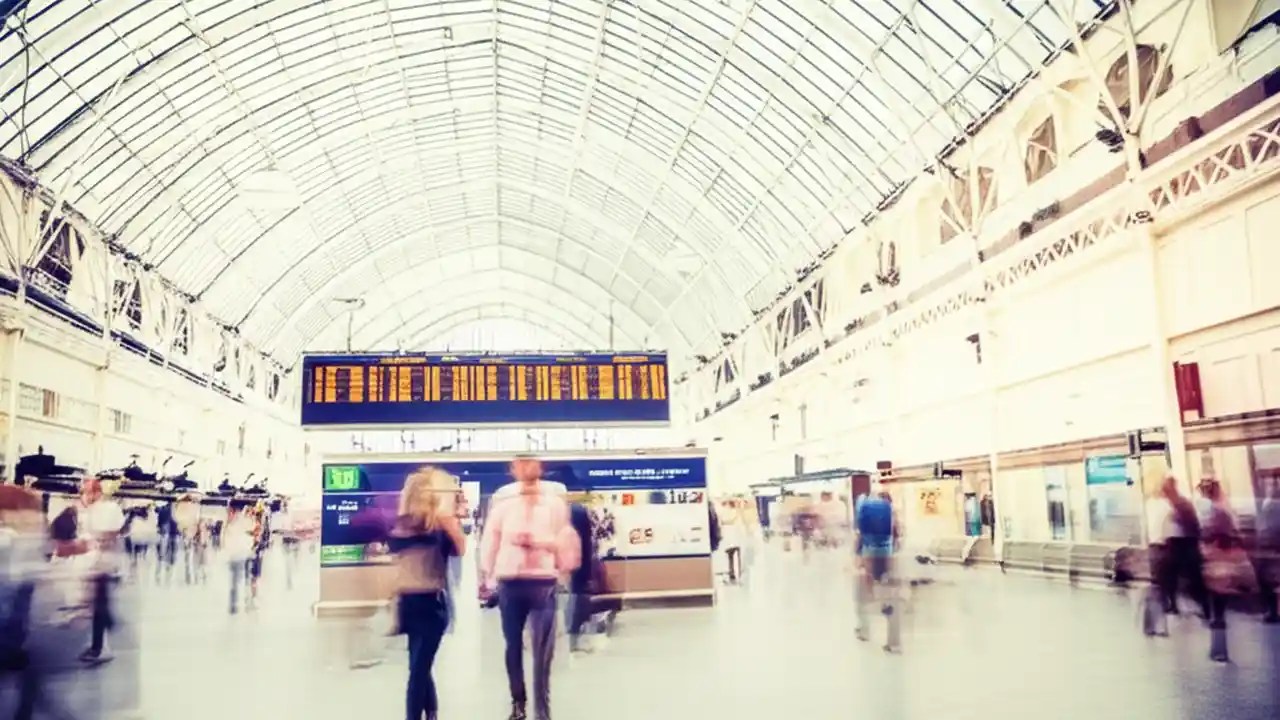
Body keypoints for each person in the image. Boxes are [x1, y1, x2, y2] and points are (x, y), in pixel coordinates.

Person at [480, 456, 580, 720]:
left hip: (542, 582)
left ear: (540, 467)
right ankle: (518, 702)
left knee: (542, 651)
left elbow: (565, 540)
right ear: (513, 470)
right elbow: (491, 538)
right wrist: (487, 575)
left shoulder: (554, 503)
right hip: (510, 581)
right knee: (512, 644)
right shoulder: (503, 502)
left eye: (530, 462)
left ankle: (542, 709)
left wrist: (541, 545)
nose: (526, 468)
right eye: (520, 463)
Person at [388, 468, 466, 720]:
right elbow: (457, 549)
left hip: (422, 604)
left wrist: (449, 520)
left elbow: (458, 550)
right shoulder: (421, 528)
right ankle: (431, 713)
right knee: (419, 666)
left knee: (418, 668)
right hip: (422, 604)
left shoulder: (414, 528)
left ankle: (421, 715)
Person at [79, 477, 125, 664]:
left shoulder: (109, 509)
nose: (86, 496)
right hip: (97, 563)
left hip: (105, 564)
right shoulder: (92, 510)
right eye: (85, 492)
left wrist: (100, 551)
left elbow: (112, 534)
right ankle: (104, 634)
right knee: (99, 605)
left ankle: (99, 648)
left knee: (99, 606)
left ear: (98, 493)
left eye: (89, 492)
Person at [854, 490, 900, 653]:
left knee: (864, 593)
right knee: (887, 594)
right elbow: (897, 537)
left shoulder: (867, 512)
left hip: (869, 554)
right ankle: (893, 640)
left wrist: (858, 557)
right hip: (887, 555)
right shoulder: (893, 516)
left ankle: (864, 629)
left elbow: (860, 536)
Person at [1255, 475, 1280, 624]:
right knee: (1266, 580)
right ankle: (1271, 610)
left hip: (1273, 545)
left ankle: (1273, 611)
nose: (1270, 488)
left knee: (1271, 580)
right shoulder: (1266, 503)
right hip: (1266, 545)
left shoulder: (1274, 504)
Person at [223, 507, 257, 614]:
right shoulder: (229, 523)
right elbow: (225, 538)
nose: (229, 514)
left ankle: (240, 603)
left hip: (241, 555)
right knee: (234, 581)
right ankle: (234, 604)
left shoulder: (241, 521)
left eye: (230, 512)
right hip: (234, 556)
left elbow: (249, 533)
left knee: (239, 580)